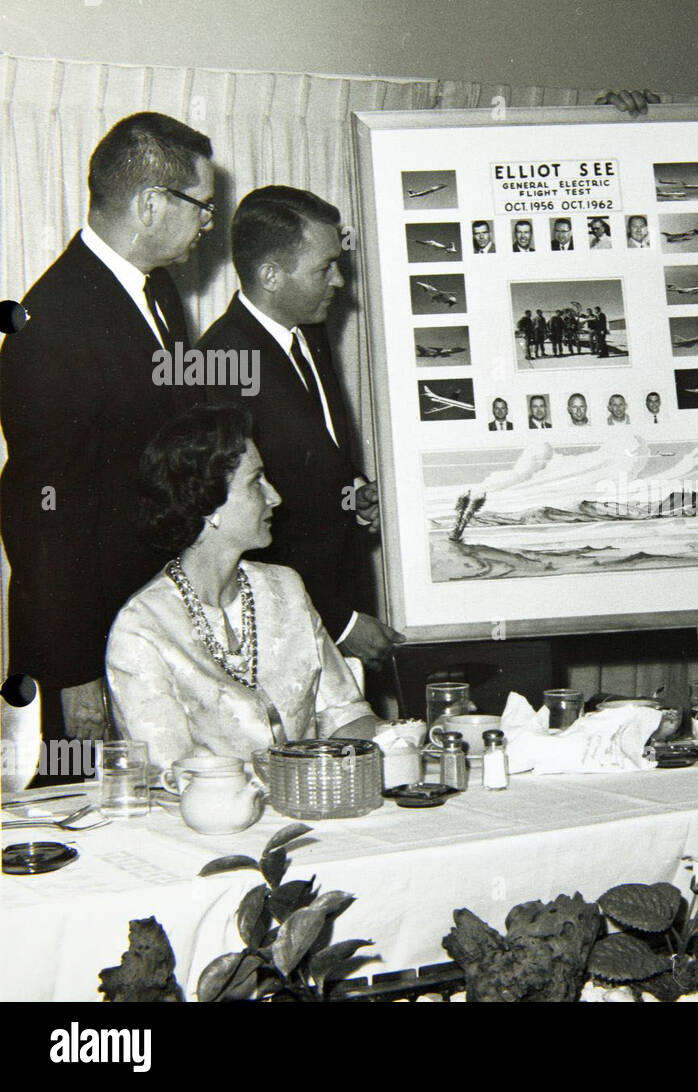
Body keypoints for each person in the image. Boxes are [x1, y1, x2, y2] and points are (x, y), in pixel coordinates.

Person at [0, 112, 214, 748]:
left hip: (148, 625)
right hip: (82, 649)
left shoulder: (158, 293)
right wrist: (75, 678)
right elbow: (40, 515)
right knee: (82, 817)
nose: (209, 222)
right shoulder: (53, 323)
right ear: (151, 204)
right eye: (201, 205)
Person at [196, 186, 403, 672]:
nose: (340, 280)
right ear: (271, 275)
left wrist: (352, 488)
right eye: (324, 267)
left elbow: (315, 453)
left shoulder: (307, 329)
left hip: (342, 591)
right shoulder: (219, 365)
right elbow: (239, 527)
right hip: (290, 624)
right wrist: (341, 622)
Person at [106, 406, 379, 769]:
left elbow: (346, 716)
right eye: (256, 482)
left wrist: (404, 740)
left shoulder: (285, 588)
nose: (275, 497)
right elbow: (169, 774)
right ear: (207, 502)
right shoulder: (142, 628)